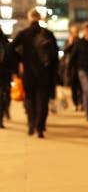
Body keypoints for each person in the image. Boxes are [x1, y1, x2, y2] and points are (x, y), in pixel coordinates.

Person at [10, 8, 58, 138]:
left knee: (29, 99)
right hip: (44, 73)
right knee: (42, 101)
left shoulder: (23, 34)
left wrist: (20, 61)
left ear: (29, 19)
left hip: (28, 73)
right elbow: (54, 56)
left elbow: (10, 49)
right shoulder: (48, 34)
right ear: (39, 18)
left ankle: (31, 123)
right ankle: (40, 127)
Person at [62, 24, 82, 111]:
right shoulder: (68, 42)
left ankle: (81, 102)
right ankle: (75, 103)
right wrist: (71, 43)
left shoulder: (81, 41)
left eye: (76, 32)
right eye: (74, 32)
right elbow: (65, 51)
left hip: (81, 66)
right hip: (72, 67)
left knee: (81, 87)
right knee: (73, 87)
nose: (75, 34)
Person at [0, 29, 16, 128]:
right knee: (3, 95)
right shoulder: (6, 44)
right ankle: (1, 116)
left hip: (4, 74)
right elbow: (12, 59)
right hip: (4, 75)